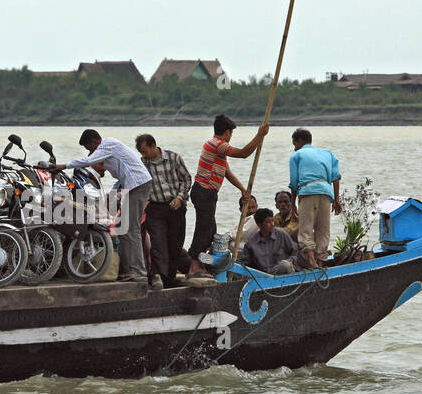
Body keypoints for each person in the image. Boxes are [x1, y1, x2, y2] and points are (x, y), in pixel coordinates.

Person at [47, 129, 153, 281]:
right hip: (134, 184)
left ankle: (138, 271)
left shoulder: (108, 144)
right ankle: (129, 270)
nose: (90, 152)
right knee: (123, 228)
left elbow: (88, 161)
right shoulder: (109, 151)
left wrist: (63, 166)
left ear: (94, 142)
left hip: (138, 184)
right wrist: (112, 194)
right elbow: (122, 176)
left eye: (88, 148)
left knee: (130, 229)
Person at [185, 114, 268, 286]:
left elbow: (226, 172)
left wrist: (243, 189)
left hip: (208, 193)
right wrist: (259, 135)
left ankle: (202, 263)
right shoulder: (217, 144)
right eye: (231, 133)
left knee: (210, 231)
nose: (231, 137)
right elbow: (244, 153)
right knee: (203, 228)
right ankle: (193, 268)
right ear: (227, 132)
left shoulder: (217, 149)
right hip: (204, 191)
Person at [135, 133, 191, 289]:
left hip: (176, 207)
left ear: (154, 146)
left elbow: (186, 179)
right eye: (141, 152)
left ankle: (170, 278)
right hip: (155, 207)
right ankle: (157, 276)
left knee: (175, 245)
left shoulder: (174, 158)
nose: (143, 155)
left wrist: (180, 198)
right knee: (158, 243)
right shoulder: (142, 163)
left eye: (145, 151)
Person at [287, 127, 342, 269]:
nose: (294, 149)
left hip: (307, 191)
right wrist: (337, 200)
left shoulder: (297, 156)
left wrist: (292, 202)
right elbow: (336, 178)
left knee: (306, 227)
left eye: (295, 145)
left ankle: (311, 260)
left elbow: (294, 182)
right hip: (326, 192)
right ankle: (321, 261)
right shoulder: (328, 154)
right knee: (323, 229)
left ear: (299, 141)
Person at [237, 207, 301, 274]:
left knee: (285, 265)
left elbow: (295, 252)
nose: (272, 224)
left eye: (272, 220)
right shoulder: (251, 242)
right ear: (259, 225)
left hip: (282, 273)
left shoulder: (282, 235)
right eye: (268, 222)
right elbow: (245, 262)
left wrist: (290, 261)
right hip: (263, 276)